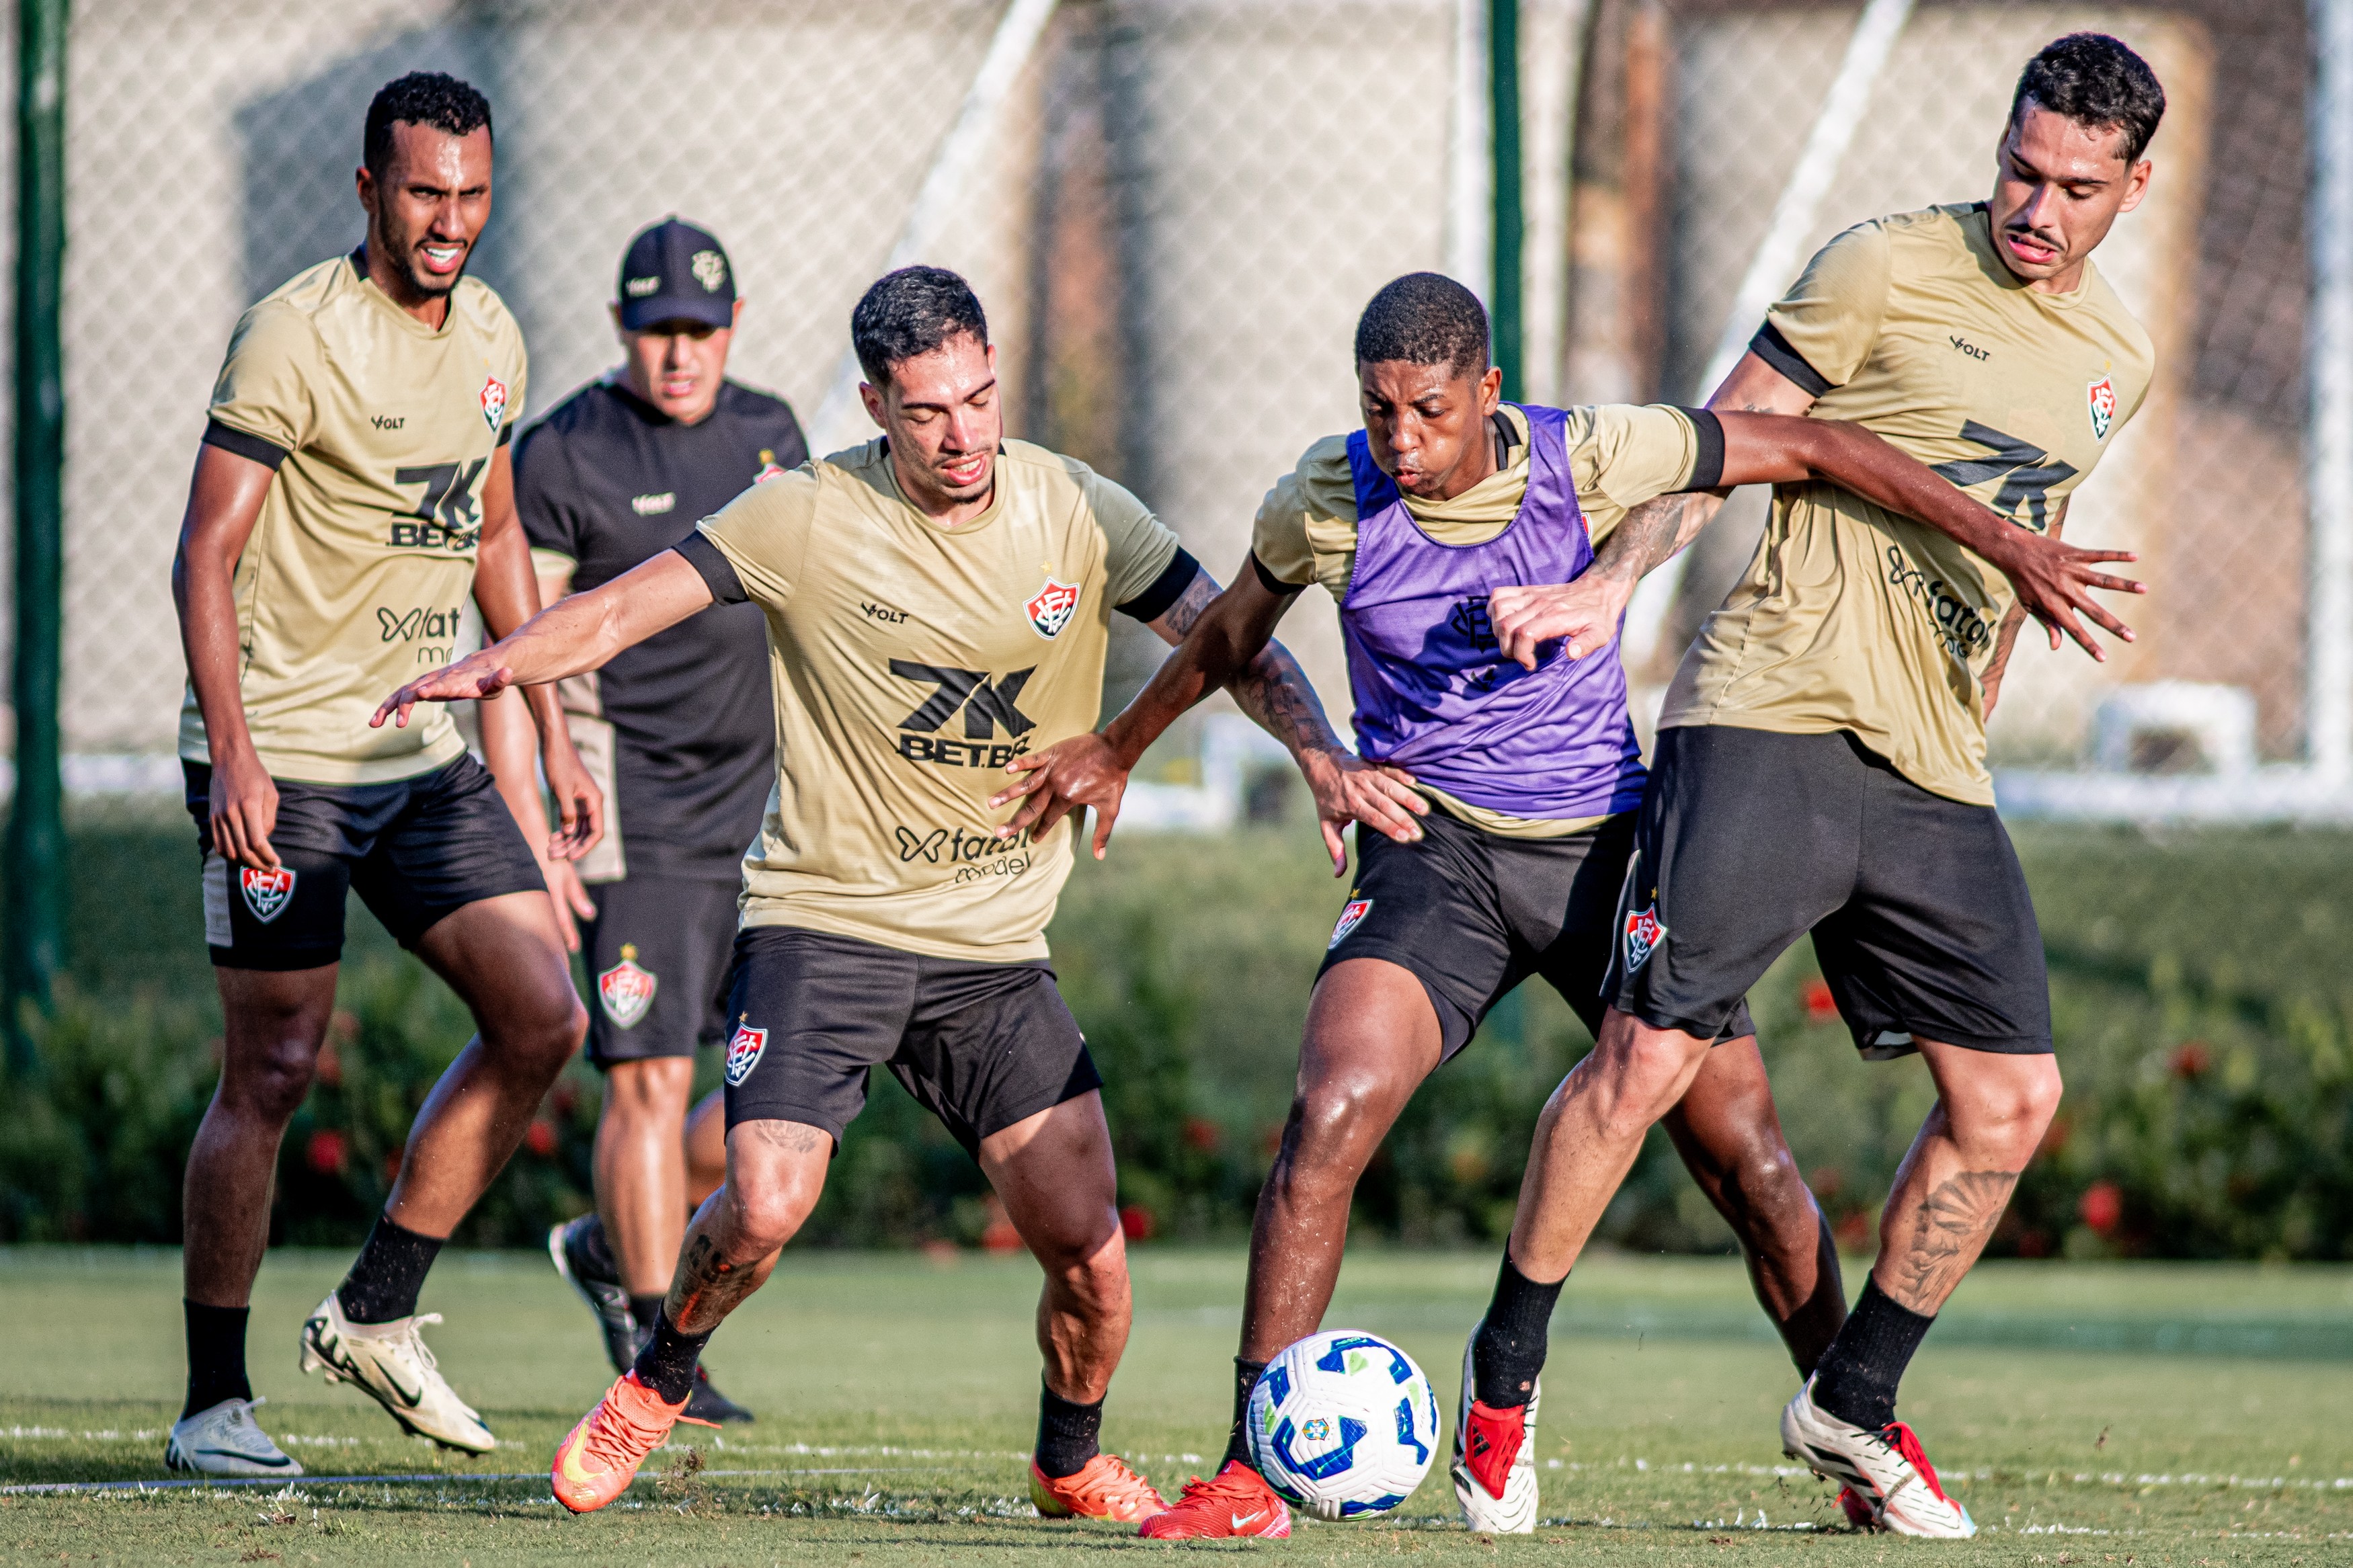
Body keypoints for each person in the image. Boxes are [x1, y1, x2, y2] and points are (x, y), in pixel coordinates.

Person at [991, 266, 2133, 1538]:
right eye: (1378, 411)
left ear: (1489, 389)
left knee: (1752, 1166)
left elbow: (1813, 444)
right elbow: (1228, 635)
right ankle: (1251, 1472)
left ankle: (1855, 1433)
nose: (1402, 441)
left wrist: (2007, 545)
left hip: (1605, 853)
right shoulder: (1327, 496)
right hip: (1434, 853)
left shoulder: (1586, 454)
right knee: (1332, 1106)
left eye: (1430, 411)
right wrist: (1170, 748)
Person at [374, 265, 1349, 1521]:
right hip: (824, 925)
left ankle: (1068, 1461)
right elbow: (616, 612)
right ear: (878, 405)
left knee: (1094, 1258)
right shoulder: (806, 512)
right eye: (929, 410)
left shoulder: (1077, 506)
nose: (964, 433)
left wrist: (1319, 752)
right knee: (765, 1202)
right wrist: (497, 665)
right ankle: (656, 1377)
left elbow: (1229, 639)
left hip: (994, 952)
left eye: (980, 397)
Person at [1462, 33, 2162, 1537]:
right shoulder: (1883, 266)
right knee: (1646, 1059)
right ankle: (1503, 1382)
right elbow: (1718, 440)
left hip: (1929, 764)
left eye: (2074, 188)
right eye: (2021, 170)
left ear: (2132, 190)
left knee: (2011, 1097)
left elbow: (2017, 556)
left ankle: (1852, 1399)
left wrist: (1972, 717)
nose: (2036, 208)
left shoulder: (2119, 359)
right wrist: (1609, 589)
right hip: (1770, 712)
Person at [163, 73, 601, 1477]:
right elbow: (205, 553)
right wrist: (233, 752)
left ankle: (375, 1309)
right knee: (274, 1067)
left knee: (543, 1016)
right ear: (369, 190)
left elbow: (495, 536)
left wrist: (545, 727)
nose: (450, 221)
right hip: (285, 760)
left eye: (472, 194)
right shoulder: (292, 335)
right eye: (424, 193)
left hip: (418, 751)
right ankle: (213, 1407)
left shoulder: (494, 335)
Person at [519, 217, 807, 1426]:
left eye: (699, 329)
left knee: (773, 1099)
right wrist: (541, 802)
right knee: (645, 1080)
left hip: (767, 815)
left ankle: (608, 1238)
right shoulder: (564, 451)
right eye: (656, 330)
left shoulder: (773, 433)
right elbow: (525, 641)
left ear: (733, 328)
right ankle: (654, 1357)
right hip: (630, 810)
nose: (678, 352)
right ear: (620, 330)